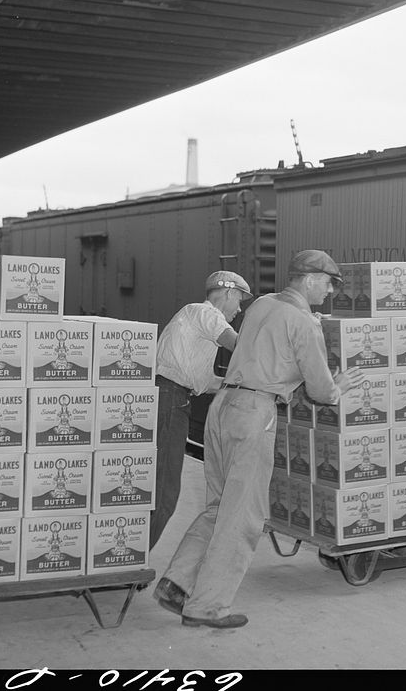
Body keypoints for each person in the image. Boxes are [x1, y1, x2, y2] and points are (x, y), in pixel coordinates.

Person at [154, 249, 365, 629]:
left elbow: (266, 340)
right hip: (254, 413)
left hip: (221, 407)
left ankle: (176, 582)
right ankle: (207, 606)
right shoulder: (304, 323)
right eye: (329, 284)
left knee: (219, 505)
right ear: (311, 279)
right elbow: (319, 389)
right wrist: (339, 388)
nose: (330, 292)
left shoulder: (264, 305)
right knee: (244, 516)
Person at [149, 270, 251, 549]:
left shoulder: (196, 328)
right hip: (170, 402)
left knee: (161, 488)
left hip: (172, 398)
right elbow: (239, 346)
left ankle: (130, 556)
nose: (239, 309)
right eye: (239, 300)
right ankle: (129, 561)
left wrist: (247, 387)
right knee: (164, 492)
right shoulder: (204, 313)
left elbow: (205, 382)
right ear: (228, 293)